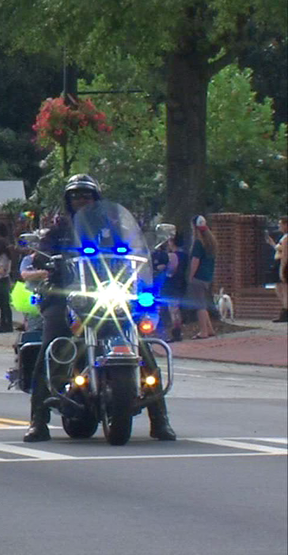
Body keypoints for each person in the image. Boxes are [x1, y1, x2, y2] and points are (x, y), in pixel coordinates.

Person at [23, 174, 175, 442]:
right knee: (54, 345)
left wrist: (153, 252)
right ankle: (38, 420)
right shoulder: (59, 228)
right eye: (76, 195)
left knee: (142, 345)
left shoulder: (112, 226)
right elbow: (41, 253)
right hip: (68, 295)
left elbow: (136, 247)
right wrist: (45, 258)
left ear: (96, 199)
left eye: (86, 195)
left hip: (111, 294)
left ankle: (159, 418)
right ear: (68, 200)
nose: (81, 200)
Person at [186, 215, 217, 340]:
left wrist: (191, 276)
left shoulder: (198, 243)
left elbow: (195, 260)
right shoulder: (211, 242)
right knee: (203, 302)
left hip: (198, 277)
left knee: (199, 305)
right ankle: (210, 329)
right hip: (207, 276)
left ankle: (203, 331)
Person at [158, 233, 188, 342]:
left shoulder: (172, 256)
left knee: (172, 310)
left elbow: (170, 271)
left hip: (172, 285)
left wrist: (162, 267)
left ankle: (175, 333)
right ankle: (177, 331)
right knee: (176, 309)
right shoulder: (185, 255)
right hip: (181, 283)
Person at [266, 216, 288, 323]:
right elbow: (279, 250)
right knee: (278, 288)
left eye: (281, 224)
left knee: (284, 289)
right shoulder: (283, 237)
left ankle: (285, 313)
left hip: (282, 263)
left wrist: (282, 269)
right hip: (277, 261)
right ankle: (284, 309)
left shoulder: (287, 238)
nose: (279, 226)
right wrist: (272, 244)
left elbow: (285, 254)